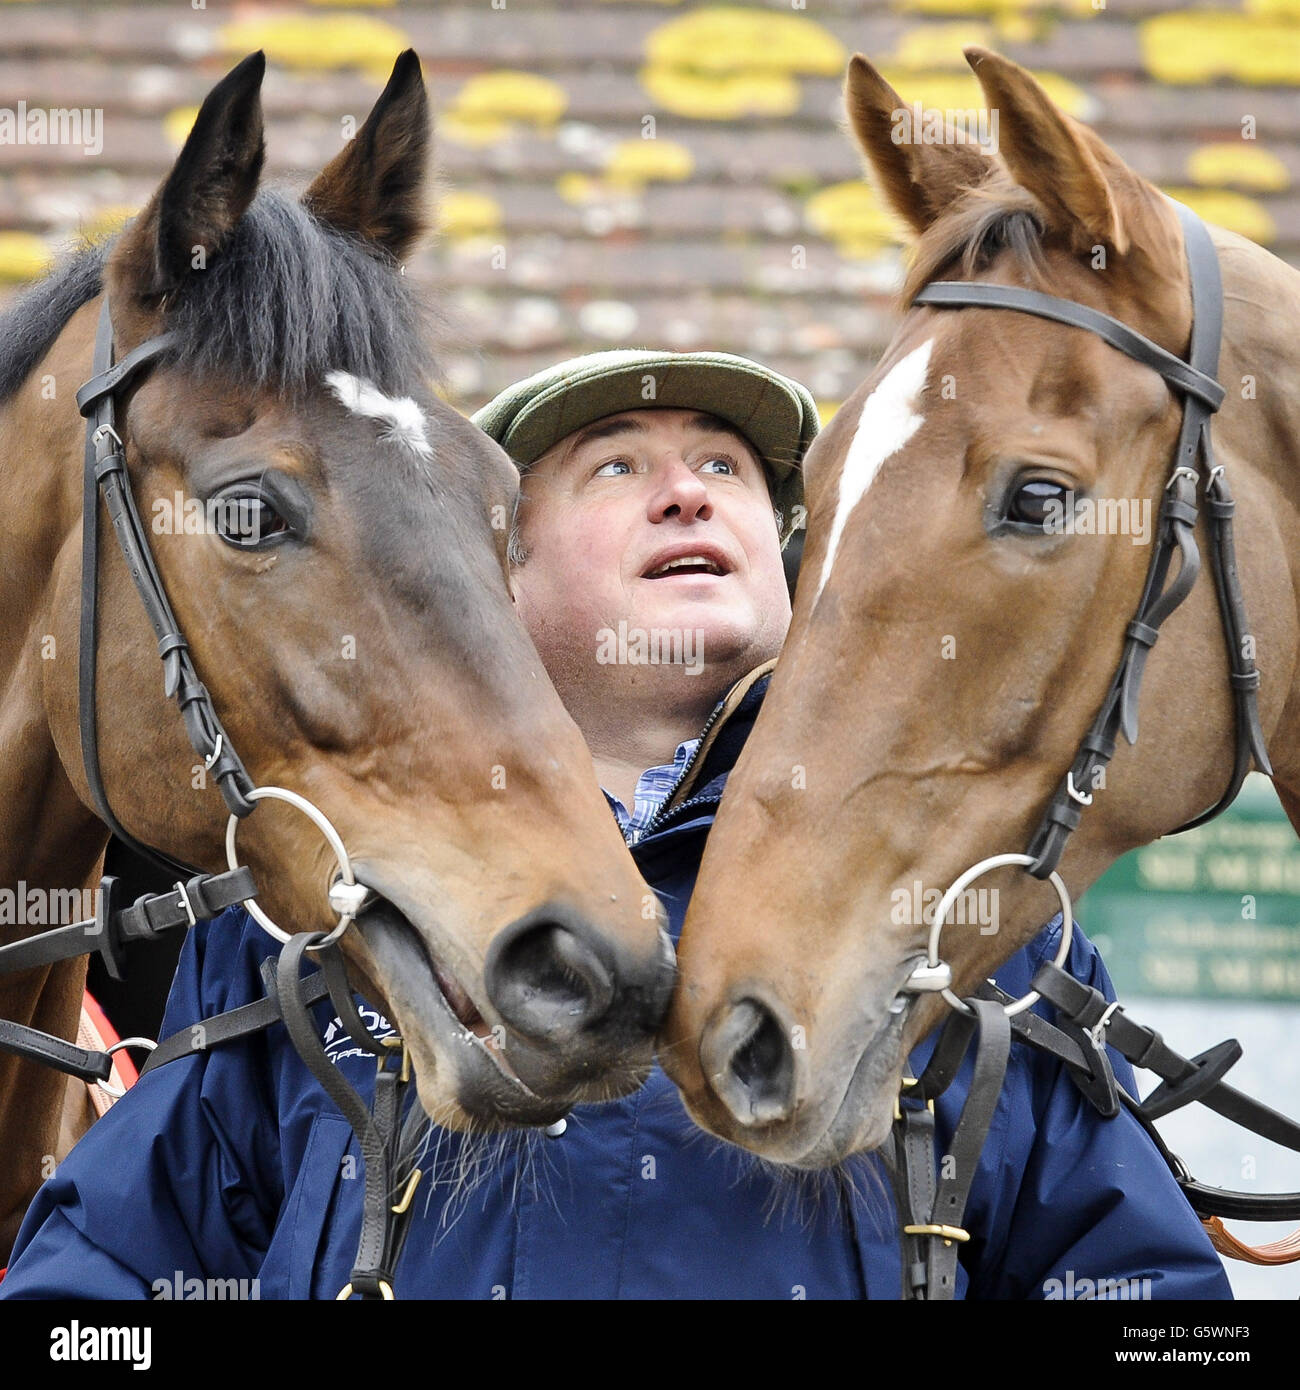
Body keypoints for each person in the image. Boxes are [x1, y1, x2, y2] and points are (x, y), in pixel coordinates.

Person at [0, 350, 1229, 1299]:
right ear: (497, 577)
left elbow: (1147, 1296)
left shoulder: (970, 900)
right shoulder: (311, 903)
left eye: (728, 470)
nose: (687, 491)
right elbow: (101, 1281)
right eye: (617, 467)